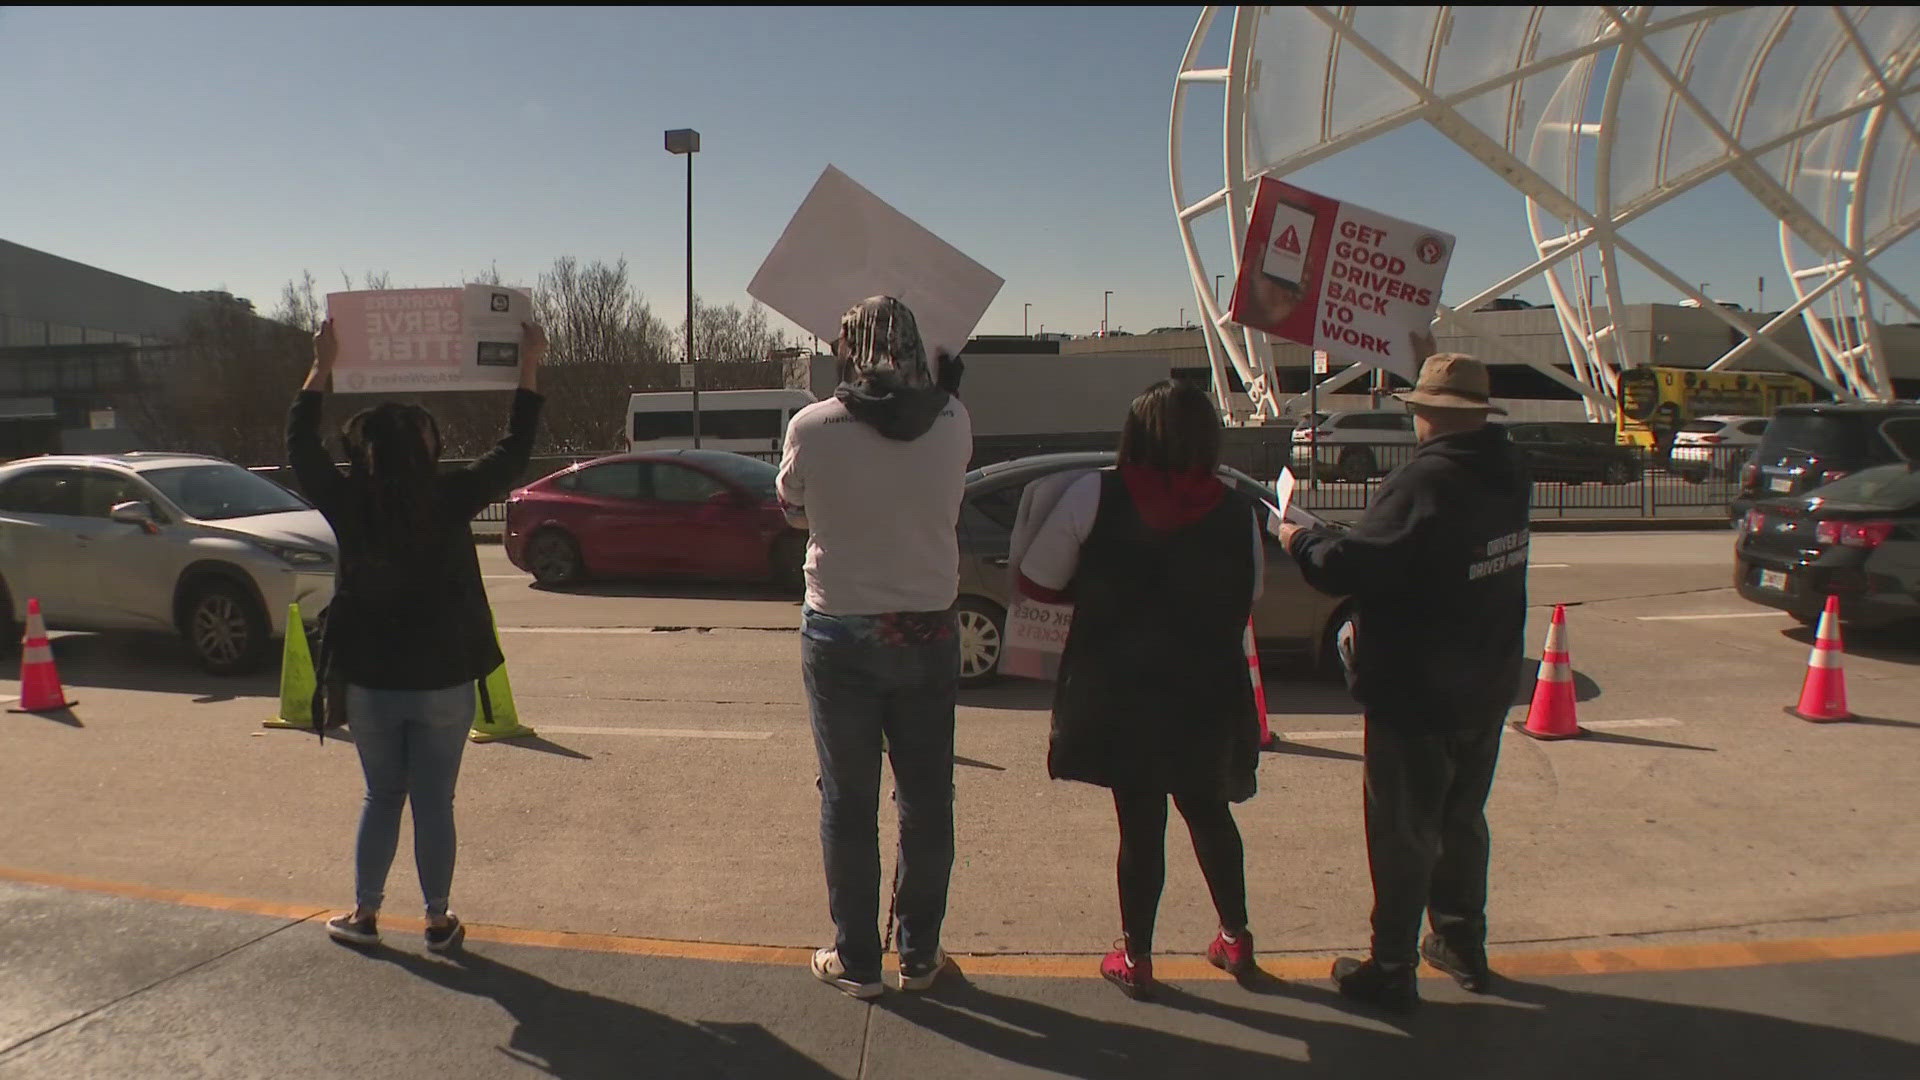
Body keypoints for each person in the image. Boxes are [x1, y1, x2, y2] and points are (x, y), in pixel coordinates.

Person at [1277, 352, 1531, 1013]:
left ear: (1427, 415)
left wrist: (1298, 541)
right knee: (1462, 822)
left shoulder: (1426, 482)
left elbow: (1351, 566)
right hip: (1488, 679)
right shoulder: (1507, 472)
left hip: (1418, 692)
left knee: (1402, 830)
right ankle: (1461, 943)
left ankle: (1391, 966)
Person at [291, 317, 545, 953]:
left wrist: (320, 368)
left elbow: (300, 445)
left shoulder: (350, 501)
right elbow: (515, 448)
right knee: (435, 801)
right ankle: (437, 918)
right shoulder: (452, 496)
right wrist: (529, 365)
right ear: (426, 449)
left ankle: (365, 914)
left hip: (373, 684)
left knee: (382, 796)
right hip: (444, 680)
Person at [1017, 379, 1266, 1001]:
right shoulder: (1237, 509)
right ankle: (1235, 937)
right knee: (1209, 810)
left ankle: (1137, 955)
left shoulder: (1092, 494)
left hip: (1122, 685)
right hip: (1206, 686)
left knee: (1141, 821)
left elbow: (1038, 580)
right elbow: (1249, 596)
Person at [777, 296, 972, 999]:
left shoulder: (813, 426)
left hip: (841, 632)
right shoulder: (954, 419)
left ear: (847, 350)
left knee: (849, 799)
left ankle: (857, 959)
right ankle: (919, 954)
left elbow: (792, 507)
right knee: (926, 798)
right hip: (929, 628)